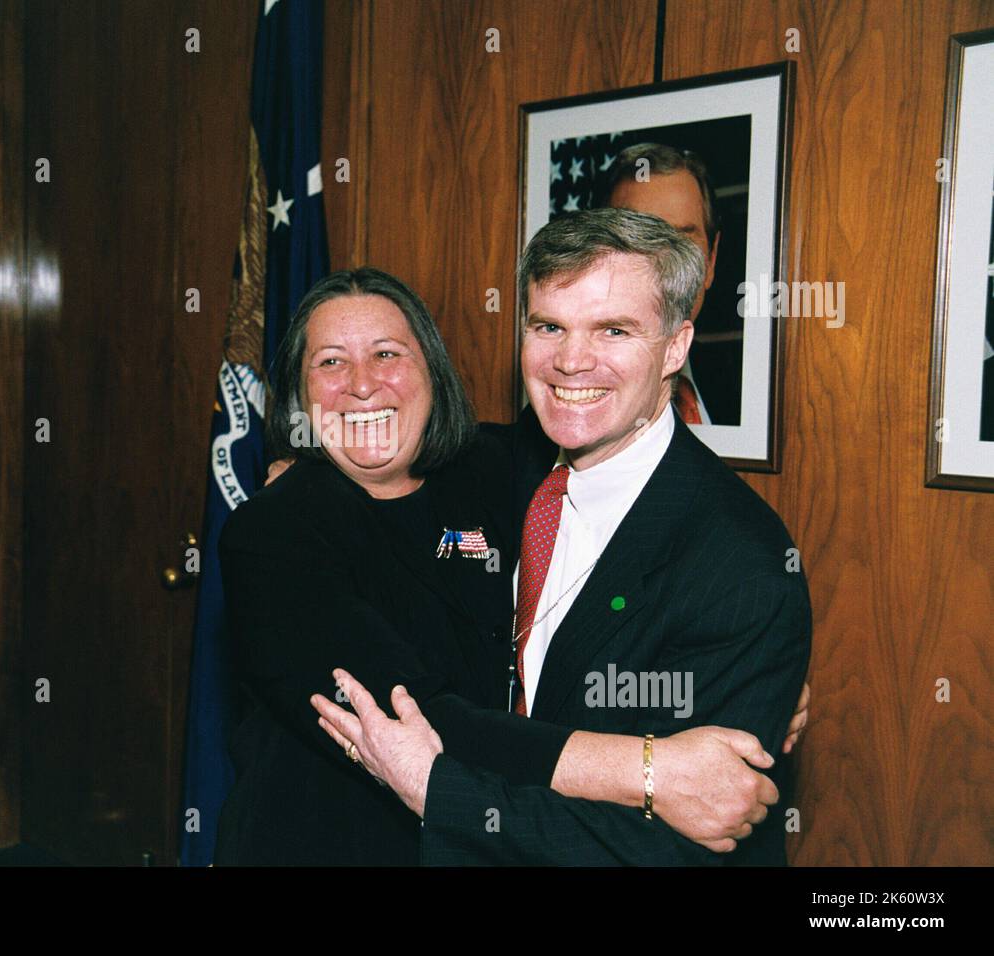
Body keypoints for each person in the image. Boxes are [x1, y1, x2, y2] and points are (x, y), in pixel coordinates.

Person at [216, 265, 803, 865]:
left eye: (387, 353)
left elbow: (603, 424)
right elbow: (417, 722)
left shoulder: (491, 469)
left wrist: (758, 673)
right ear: (300, 392)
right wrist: (651, 769)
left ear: (431, 372)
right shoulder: (270, 534)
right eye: (331, 362)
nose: (363, 385)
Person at [596, 142, 739, 425]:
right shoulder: (568, 396)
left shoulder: (733, 387)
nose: (662, 264)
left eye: (682, 241)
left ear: (711, 259)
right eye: (636, 239)